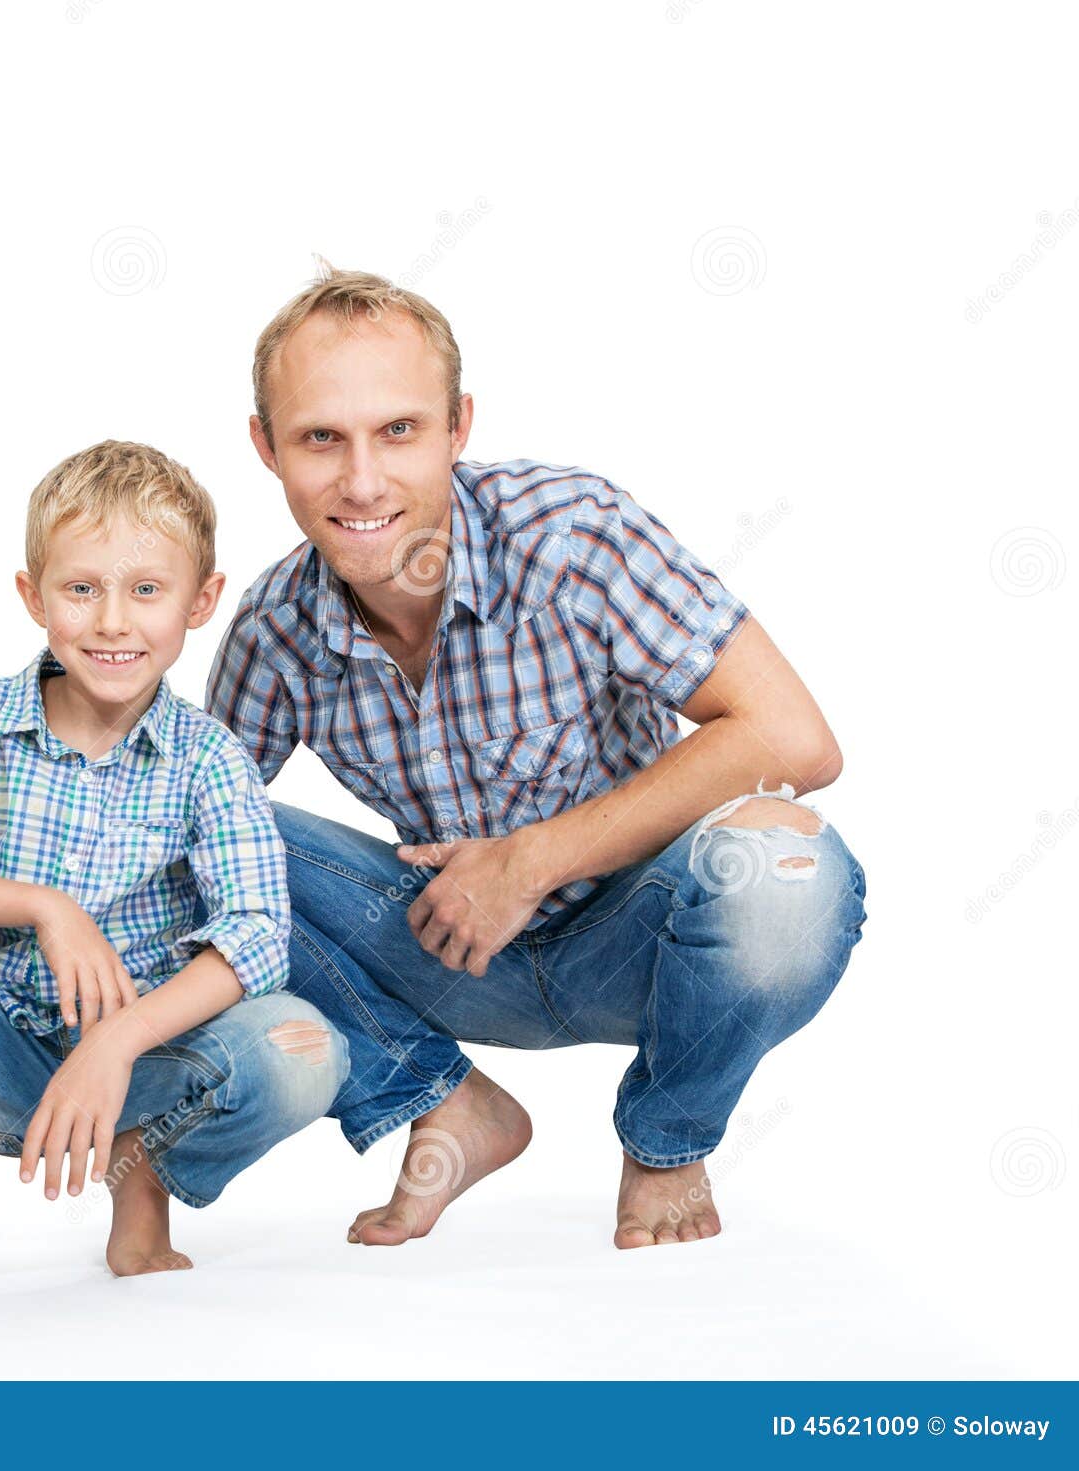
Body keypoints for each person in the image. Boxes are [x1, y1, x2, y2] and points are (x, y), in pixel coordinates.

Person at [206, 265, 868, 1250]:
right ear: (264, 447)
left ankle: (667, 1138)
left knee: (788, 868)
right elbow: (170, 837)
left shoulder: (569, 535)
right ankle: (448, 1101)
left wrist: (530, 860)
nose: (361, 480)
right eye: (319, 438)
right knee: (194, 840)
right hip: (446, 952)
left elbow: (794, 738)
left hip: (643, 944)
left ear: (457, 425)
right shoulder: (272, 627)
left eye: (398, 430)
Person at [0, 440, 347, 1324]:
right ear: (32, 595)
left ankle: (143, 1179)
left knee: (302, 1048)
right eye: (82, 588)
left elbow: (255, 936)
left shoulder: (208, 758)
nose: (113, 621)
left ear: (201, 601)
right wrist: (46, 907)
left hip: (137, 1077)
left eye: (147, 590)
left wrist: (116, 1043)